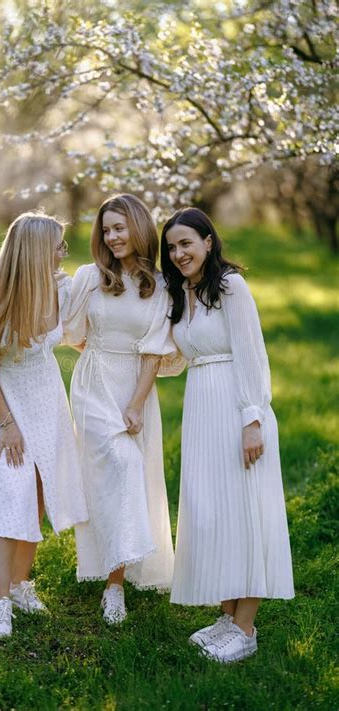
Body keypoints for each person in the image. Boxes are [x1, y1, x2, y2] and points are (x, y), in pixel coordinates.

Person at [161, 207, 294, 662]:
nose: (179, 253)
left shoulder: (230, 287)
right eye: (172, 247)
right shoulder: (182, 294)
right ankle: (225, 614)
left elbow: (251, 354)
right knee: (212, 511)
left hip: (237, 408)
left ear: (208, 242)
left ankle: (246, 627)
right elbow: (175, 355)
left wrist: (252, 420)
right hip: (201, 409)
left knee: (245, 510)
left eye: (186, 244)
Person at [0, 212, 88, 638]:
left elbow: (80, 333)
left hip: (48, 400)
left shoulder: (59, 289)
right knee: (11, 493)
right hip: (6, 406)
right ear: (34, 252)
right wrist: (6, 424)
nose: (63, 253)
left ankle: (18, 584)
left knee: (40, 491)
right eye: (57, 247)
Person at [63, 194, 183, 624]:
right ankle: (113, 585)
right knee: (116, 465)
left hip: (135, 387)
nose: (112, 237)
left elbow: (154, 352)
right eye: (106, 229)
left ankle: (118, 575)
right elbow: (73, 332)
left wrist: (134, 403)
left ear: (138, 228)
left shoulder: (160, 285)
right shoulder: (90, 277)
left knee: (128, 470)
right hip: (94, 382)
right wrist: (100, 353)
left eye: (119, 227)